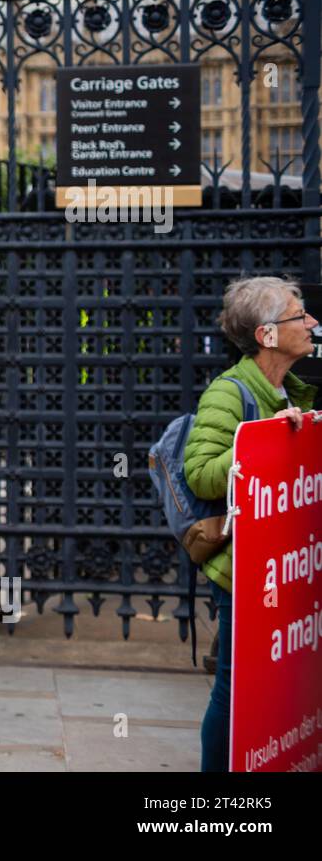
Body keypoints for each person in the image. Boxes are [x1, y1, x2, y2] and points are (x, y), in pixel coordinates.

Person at [184, 275, 318, 772]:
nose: (311, 323)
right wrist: (257, 448)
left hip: (284, 567)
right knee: (234, 684)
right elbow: (200, 475)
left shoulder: (290, 392)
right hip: (243, 571)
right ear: (266, 334)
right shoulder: (229, 392)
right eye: (299, 315)